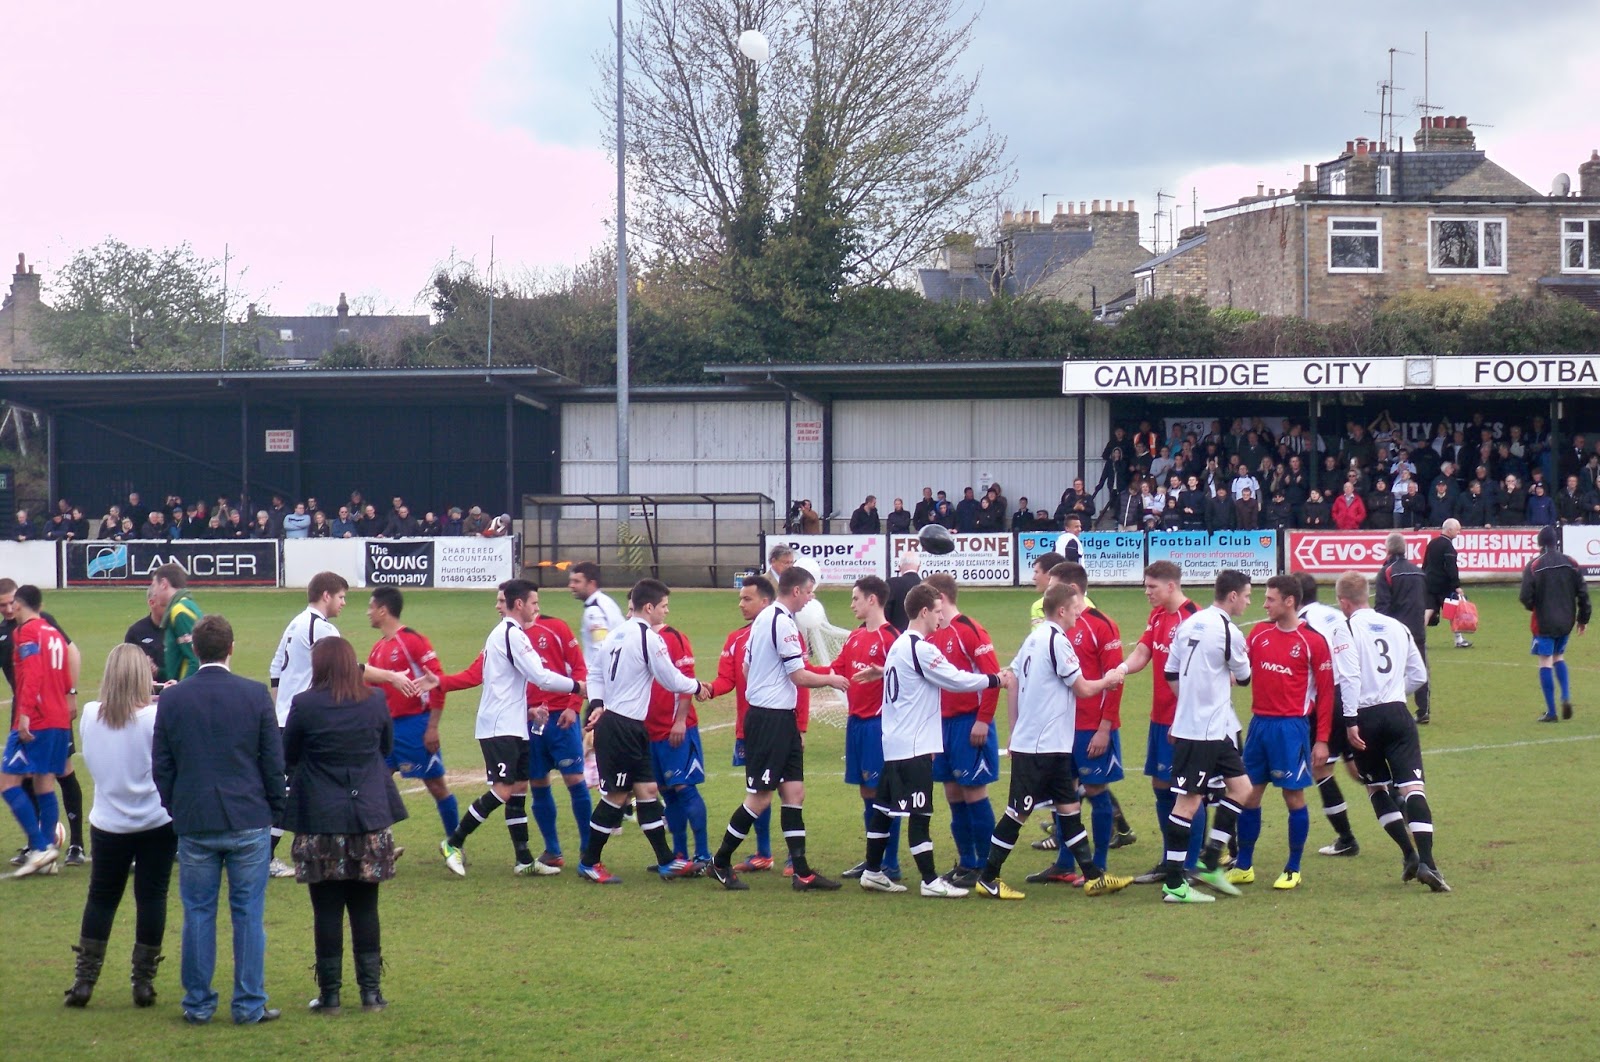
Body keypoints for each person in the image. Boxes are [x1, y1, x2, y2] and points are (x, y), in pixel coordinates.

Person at [152, 614, 285, 1025]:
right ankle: (248, 1004)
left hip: (196, 819)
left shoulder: (174, 699)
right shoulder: (254, 695)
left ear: (194, 650)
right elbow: (272, 761)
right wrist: (272, 809)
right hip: (247, 817)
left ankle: (198, 1003)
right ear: (231, 648)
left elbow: (162, 764)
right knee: (247, 914)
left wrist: (177, 804)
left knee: (197, 912)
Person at [972, 581, 1133, 900]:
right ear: (1062, 610)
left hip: (1052, 745)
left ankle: (1093, 876)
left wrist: (1016, 726)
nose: (1078, 613)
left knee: (1069, 807)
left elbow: (1011, 679)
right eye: (1075, 609)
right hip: (1040, 747)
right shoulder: (1057, 641)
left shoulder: (1034, 639)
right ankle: (988, 877)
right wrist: (1110, 680)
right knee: (1017, 812)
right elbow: (1083, 688)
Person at [704, 565, 850, 891]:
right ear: (796, 591)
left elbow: (746, 665)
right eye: (810, 592)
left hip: (780, 718)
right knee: (759, 798)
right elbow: (799, 676)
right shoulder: (782, 623)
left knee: (794, 793)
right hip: (768, 719)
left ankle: (802, 872)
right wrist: (832, 679)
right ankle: (720, 861)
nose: (811, 599)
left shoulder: (763, 622)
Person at [283, 637, 407, 1014]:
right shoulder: (374, 701)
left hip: (321, 819)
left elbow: (289, 755)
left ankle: (331, 995)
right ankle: (371, 993)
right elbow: (385, 748)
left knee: (326, 909)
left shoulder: (304, 705)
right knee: (366, 907)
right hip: (368, 816)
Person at [855, 583, 1002, 898]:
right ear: (924, 611)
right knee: (919, 814)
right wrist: (995, 679)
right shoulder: (922, 647)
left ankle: (872, 871)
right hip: (915, 744)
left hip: (893, 742)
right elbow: (954, 678)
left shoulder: (898, 644)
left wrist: (881, 673)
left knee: (883, 808)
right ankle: (930, 880)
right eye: (936, 611)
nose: (940, 617)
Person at [438, 580, 584, 877]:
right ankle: (453, 842)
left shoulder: (507, 634)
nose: (537, 608)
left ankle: (523, 860)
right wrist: (578, 687)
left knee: (518, 790)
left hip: (514, 723)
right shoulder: (510, 634)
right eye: (534, 603)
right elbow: (540, 677)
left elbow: (501, 681)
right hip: (498, 727)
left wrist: (527, 710)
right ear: (520, 604)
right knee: (503, 790)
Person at [65, 645, 177, 1008]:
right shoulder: (155, 717)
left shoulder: (90, 714)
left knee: (101, 899)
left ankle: (85, 980)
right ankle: (143, 981)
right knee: (151, 898)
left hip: (109, 823)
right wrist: (168, 694)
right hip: (155, 822)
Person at [576, 579, 707, 883]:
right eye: (664, 606)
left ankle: (666, 861)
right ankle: (589, 861)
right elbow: (672, 679)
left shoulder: (614, 635)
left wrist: (597, 702)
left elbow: (593, 672)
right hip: (622, 727)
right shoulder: (649, 638)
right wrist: (699, 687)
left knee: (648, 792)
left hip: (630, 726)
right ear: (649, 607)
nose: (666, 611)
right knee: (616, 797)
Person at [1331, 571, 1448, 892]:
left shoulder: (1345, 628)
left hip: (1365, 717)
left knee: (1377, 789)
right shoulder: (1398, 626)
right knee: (1413, 788)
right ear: (1366, 595)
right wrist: (1395, 693)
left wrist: (1351, 720)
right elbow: (1418, 674)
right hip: (1398, 712)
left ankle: (1409, 854)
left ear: (1344, 602)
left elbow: (1349, 677)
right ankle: (1428, 862)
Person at [1033, 561, 1137, 879]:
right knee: (1065, 795)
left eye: (1053, 588)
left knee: (1096, 791)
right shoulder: (1055, 627)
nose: (1046, 594)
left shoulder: (1102, 626)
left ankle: (1100, 865)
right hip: (1060, 727)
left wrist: (1104, 728)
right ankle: (1065, 864)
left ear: (1072, 591)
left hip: (1091, 729)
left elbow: (1115, 679)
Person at [1228, 575, 1333, 891]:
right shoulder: (1259, 634)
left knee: (1293, 796)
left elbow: (1327, 695)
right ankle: (1244, 864)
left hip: (1291, 728)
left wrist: (1323, 740)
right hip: (1259, 724)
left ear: (1289, 601)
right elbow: (1239, 672)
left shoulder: (1312, 641)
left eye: (1270, 599)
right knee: (1249, 793)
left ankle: (1293, 867)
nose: (1264, 604)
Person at [1158, 570, 1256, 904]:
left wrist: (1187, 701)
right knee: (1187, 803)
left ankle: (1210, 862)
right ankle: (1174, 884)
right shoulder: (1229, 631)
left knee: (1242, 788)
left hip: (1215, 730)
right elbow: (1244, 678)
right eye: (1246, 595)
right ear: (1232, 596)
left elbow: (1170, 671)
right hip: (1200, 732)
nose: (1248, 601)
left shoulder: (1189, 623)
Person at [1118, 561, 1205, 885]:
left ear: (1171, 586)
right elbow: (1143, 652)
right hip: (1158, 717)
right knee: (1160, 786)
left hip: (1183, 721)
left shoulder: (1192, 618)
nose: (1146, 591)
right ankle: (1171, 859)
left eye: (1152, 586)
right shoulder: (1157, 616)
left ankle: (1191, 864)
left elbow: (1200, 675)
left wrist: (1183, 718)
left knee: (1188, 791)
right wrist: (1121, 670)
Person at [921, 573, 1001, 887]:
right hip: (941, 726)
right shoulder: (930, 634)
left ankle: (987, 865)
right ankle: (967, 862)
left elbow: (993, 676)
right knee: (952, 793)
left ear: (940, 596)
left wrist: (983, 719)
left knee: (973, 792)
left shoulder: (969, 630)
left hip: (970, 723)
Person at [0, 579, 86, 866]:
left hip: (34, 715)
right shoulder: (48, 632)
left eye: (12, 603)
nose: (9, 608)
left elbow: (35, 673)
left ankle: (46, 845)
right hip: (55, 714)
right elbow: (60, 671)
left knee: (10, 780)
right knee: (42, 781)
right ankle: (45, 850)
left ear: (21, 603)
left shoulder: (29, 630)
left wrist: (25, 712)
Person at [365, 587, 459, 846]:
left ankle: (456, 843)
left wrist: (433, 727)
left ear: (383, 610)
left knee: (437, 787)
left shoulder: (413, 641)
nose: (368, 613)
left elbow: (437, 682)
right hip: (386, 729)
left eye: (371, 607)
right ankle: (382, 846)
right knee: (373, 785)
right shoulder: (377, 649)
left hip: (415, 726)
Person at [704, 576, 778, 872]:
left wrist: (799, 727)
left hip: (777, 726)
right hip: (749, 728)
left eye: (747, 599)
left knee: (788, 790)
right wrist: (706, 688)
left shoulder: (782, 632)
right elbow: (727, 680)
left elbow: (798, 683)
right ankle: (764, 853)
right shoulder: (736, 638)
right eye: (740, 599)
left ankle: (793, 857)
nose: (741, 604)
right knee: (758, 789)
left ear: (765, 601)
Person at [834, 576, 904, 882]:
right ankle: (873, 859)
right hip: (856, 724)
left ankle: (889, 863)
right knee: (866, 791)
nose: (852, 605)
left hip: (879, 725)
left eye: (855, 599)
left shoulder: (893, 638)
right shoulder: (854, 637)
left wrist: (885, 674)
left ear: (872, 599)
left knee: (882, 792)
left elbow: (908, 680)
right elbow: (837, 668)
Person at [1294, 574, 1364, 858]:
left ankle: (1346, 838)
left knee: (1322, 770)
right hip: (1350, 695)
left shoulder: (1300, 622)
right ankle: (1403, 803)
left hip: (1325, 697)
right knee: (1358, 768)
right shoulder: (1335, 614)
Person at [1520, 524, 1591, 722]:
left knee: (1545, 661)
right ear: (1556, 542)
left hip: (1543, 622)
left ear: (1539, 543)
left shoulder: (1534, 565)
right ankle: (1566, 695)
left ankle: (1551, 712)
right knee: (1559, 657)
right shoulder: (1572, 563)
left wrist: (1535, 607)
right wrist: (1582, 618)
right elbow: (1583, 594)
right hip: (1566, 620)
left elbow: (1525, 596)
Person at [1376, 532, 1431, 724]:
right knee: (1420, 668)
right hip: (1417, 627)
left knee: (1394, 670)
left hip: (1396, 630)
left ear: (1388, 549)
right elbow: (1426, 599)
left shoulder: (1387, 572)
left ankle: (1394, 706)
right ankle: (1424, 710)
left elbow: (1382, 605)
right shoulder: (1418, 571)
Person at [568, 561, 627, 680]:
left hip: (605, 676)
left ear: (591, 583)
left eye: (577, 582)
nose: (571, 585)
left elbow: (600, 645)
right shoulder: (605, 601)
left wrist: (595, 677)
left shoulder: (594, 611)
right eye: (571, 581)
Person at [150, 563, 204, 683]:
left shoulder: (179, 611)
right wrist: (159, 672)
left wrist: (181, 690)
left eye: (154, 586)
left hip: (185, 692)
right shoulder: (185, 606)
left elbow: (195, 659)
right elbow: (179, 661)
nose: (153, 592)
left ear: (164, 584)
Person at [1423, 518, 1472, 649]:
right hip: (1444, 584)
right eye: (1457, 530)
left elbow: (1425, 564)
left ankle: (1418, 640)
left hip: (1429, 582)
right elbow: (1451, 567)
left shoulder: (1432, 543)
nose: (1459, 532)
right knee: (1453, 612)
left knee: (1428, 610)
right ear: (1449, 530)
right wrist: (1456, 586)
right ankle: (1458, 639)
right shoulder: (1448, 546)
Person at [125, 591, 168, 680]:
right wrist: (141, 665)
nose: (171, 608)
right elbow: (126, 667)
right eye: (165, 605)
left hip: (175, 688)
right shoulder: (136, 632)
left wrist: (158, 671)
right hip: (145, 690)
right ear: (152, 603)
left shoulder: (178, 629)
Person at [885, 549, 922, 632]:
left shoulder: (891, 584)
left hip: (895, 637)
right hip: (921, 638)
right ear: (919, 567)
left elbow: (884, 614)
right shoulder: (926, 585)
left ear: (899, 567)